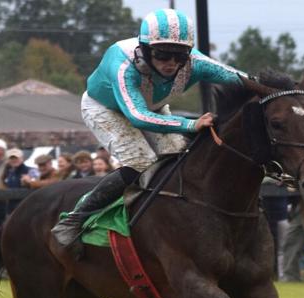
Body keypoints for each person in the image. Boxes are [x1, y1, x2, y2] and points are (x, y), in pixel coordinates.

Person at [53, 9, 251, 251]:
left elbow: (240, 77)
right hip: (106, 109)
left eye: (179, 56)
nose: (171, 63)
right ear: (145, 49)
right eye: (162, 54)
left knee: (178, 156)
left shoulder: (195, 62)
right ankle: (76, 218)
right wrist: (190, 124)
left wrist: (280, 91)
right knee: (140, 161)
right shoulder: (122, 63)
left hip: (151, 108)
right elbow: (137, 117)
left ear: (188, 53)